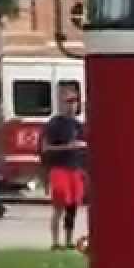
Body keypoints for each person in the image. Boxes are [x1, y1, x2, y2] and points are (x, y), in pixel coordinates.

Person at [41, 87, 88, 250]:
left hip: (75, 169)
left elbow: (84, 145)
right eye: (69, 101)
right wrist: (68, 147)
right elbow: (45, 148)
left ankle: (68, 240)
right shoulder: (54, 124)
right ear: (61, 103)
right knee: (59, 206)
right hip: (59, 168)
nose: (72, 105)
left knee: (72, 207)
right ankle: (55, 241)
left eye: (75, 101)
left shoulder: (78, 125)